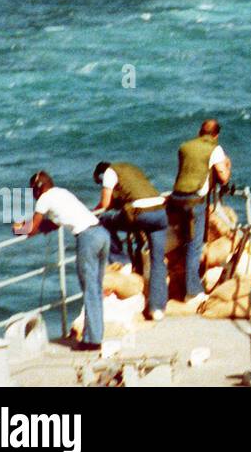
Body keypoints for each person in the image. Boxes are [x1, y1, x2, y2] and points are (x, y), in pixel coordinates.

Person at [13, 171, 108, 351]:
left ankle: (92, 341)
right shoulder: (62, 193)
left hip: (88, 238)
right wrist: (41, 228)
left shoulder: (44, 198)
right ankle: (95, 336)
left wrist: (18, 229)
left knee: (89, 290)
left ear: (38, 188)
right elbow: (55, 223)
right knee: (96, 289)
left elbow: (32, 228)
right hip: (102, 234)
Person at [94, 161, 169, 321]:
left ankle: (122, 261)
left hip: (141, 214)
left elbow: (105, 204)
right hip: (160, 212)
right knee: (157, 260)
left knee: (102, 221)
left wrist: (94, 212)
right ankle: (157, 308)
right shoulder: (131, 169)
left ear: (101, 175)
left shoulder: (109, 173)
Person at [167, 119, 232, 301]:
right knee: (194, 246)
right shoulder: (215, 149)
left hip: (177, 198)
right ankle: (192, 291)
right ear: (216, 135)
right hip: (194, 201)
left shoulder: (185, 146)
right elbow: (223, 176)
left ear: (199, 132)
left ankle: (181, 283)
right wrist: (227, 164)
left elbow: (192, 169)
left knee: (185, 242)